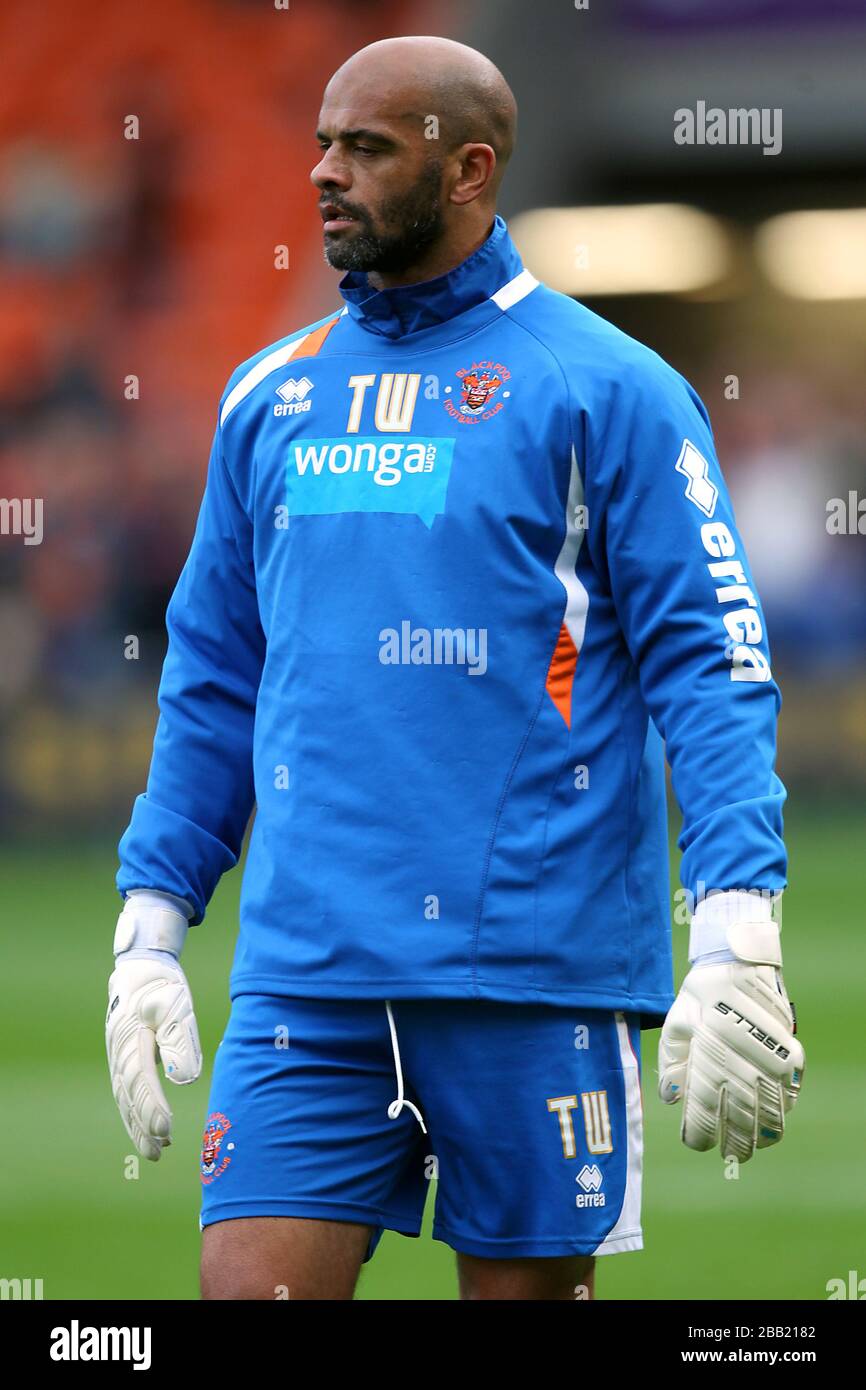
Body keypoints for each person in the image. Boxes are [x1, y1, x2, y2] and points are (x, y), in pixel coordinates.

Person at [106, 35, 804, 1302]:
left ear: (469, 168)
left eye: (365, 148)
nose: (322, 172)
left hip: (529, 973)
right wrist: (150, 925)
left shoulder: (611, 392)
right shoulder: (269, 395)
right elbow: (212, 673)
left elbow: (711, 662)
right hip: (303, 976)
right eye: (320, 141)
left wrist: (738, 924)